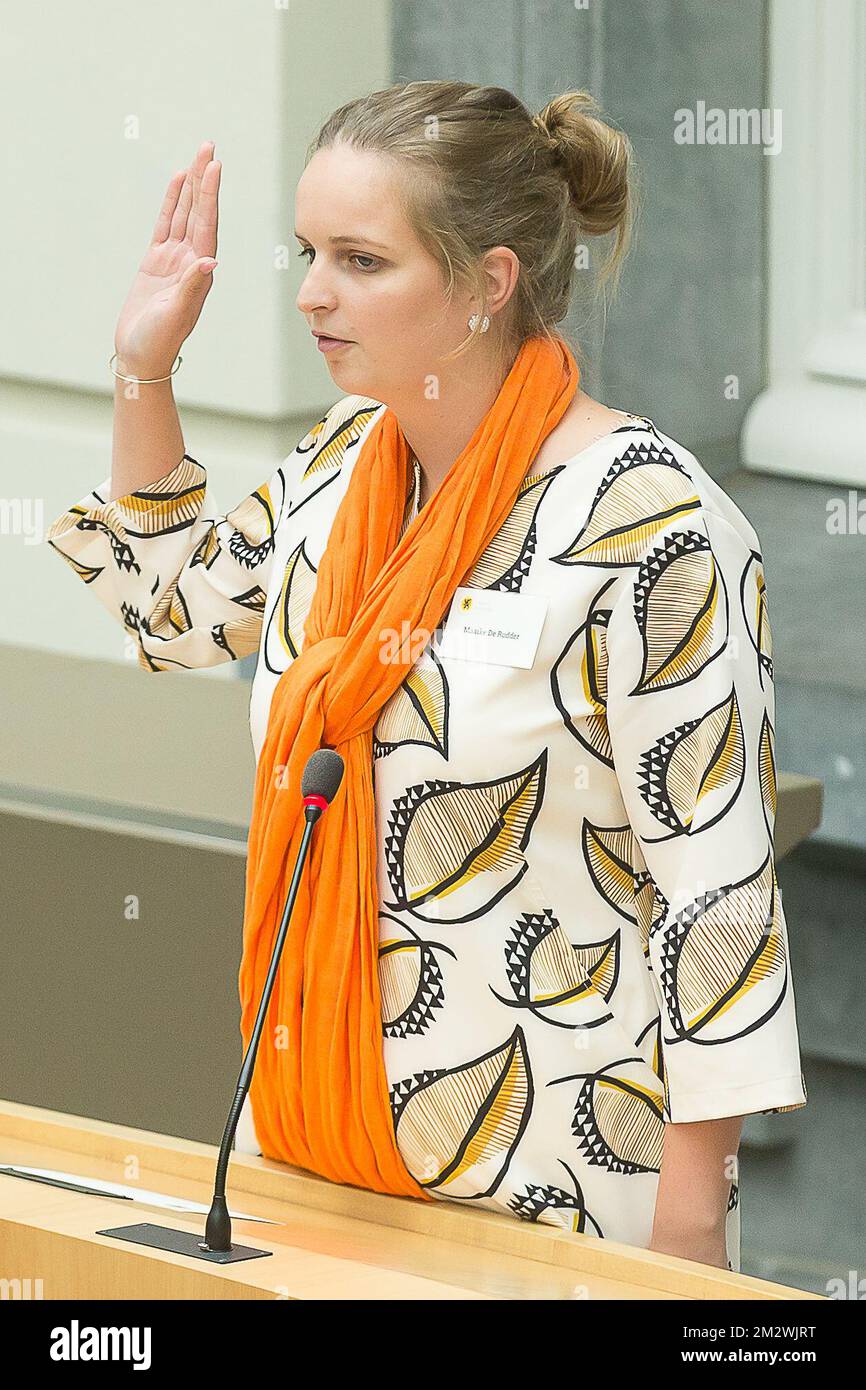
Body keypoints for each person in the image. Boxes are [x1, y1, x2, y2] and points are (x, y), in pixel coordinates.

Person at [46, 81, 808, 1276]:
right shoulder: (342, 462)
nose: (310, 292)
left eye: (359, 259)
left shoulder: (649, 524)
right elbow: (178, 615)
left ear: (485, 283)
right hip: (307, 1150)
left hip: (549, 1185)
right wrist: (146, 366)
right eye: (307, 252)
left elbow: (718, 900)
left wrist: (687, 1227)